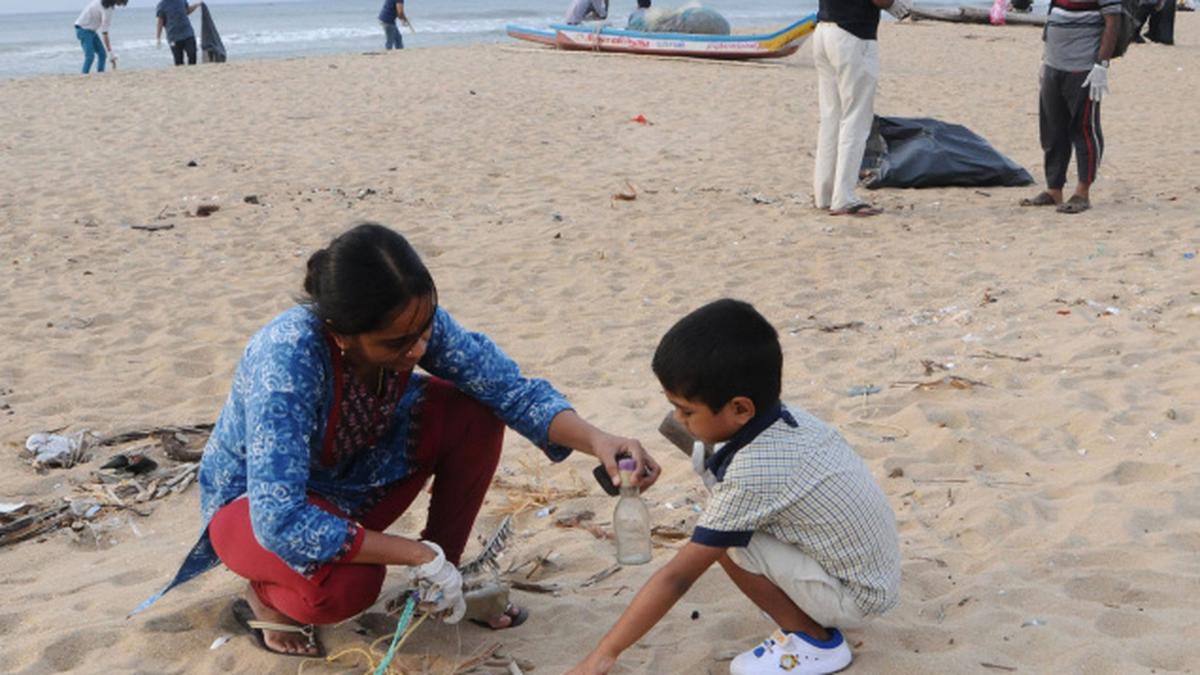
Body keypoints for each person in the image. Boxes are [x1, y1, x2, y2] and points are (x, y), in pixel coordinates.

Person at [131, 223, 661, 657]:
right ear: (341, 333)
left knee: (474, 409)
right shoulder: (287, 357)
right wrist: (410, 552)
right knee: (342, 593)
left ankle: (442, 576)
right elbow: (281, 518)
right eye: (398, 342)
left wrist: (599, 439)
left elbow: (506, 388)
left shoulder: (410, 318)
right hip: (254, 511)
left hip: (357, 479)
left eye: (426, 329)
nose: (418, 348)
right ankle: (264, 601)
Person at [569, 299, 900, 675]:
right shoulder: (787, 419)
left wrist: (604, 653)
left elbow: (677, 577)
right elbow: (697, 434)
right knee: (723, 511)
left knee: (724, 541)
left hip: (855, 597)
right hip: (873, 574)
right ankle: (805, 611)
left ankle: (814, 641)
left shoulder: (755, 473)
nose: (678, 417)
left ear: (741, 409)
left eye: (686, 411)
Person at [1019, 0, 1121, 214]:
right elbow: (1051, 17)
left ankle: (1082, 192)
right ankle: (1054, 190)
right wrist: (1044, 59)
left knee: (1084, 129)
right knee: (1052, 130)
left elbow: (1113, 22)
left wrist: (1101, 66)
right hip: (1053, 66)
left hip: (1083, 68)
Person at [811, 0, 899, 217]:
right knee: (855, 119)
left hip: (824, 29)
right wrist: (897, 5)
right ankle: (844, 198)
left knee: (831, 117)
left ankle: (824, 193)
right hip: (853, 34)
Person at [74, 0, 127, 74]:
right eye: (122, 2)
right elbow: (105, 33)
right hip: (83, 29)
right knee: (90, 56)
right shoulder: (107, 10)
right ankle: (84, 75)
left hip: (91, 31)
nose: (122, 4)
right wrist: (111, 53)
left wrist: (110, 53)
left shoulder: (105, 4)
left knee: (102, 54)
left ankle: (100, 73)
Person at [155, 0, 200, 66]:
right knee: (178, 62)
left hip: (188, 33)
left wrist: (196, 5)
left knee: (192, 54)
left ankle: (192, 73)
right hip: (173, 37)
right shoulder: (161, 5)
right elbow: (160, 22)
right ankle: (183, 75)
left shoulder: (182, 1)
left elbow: (187, 11)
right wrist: (158, 38)